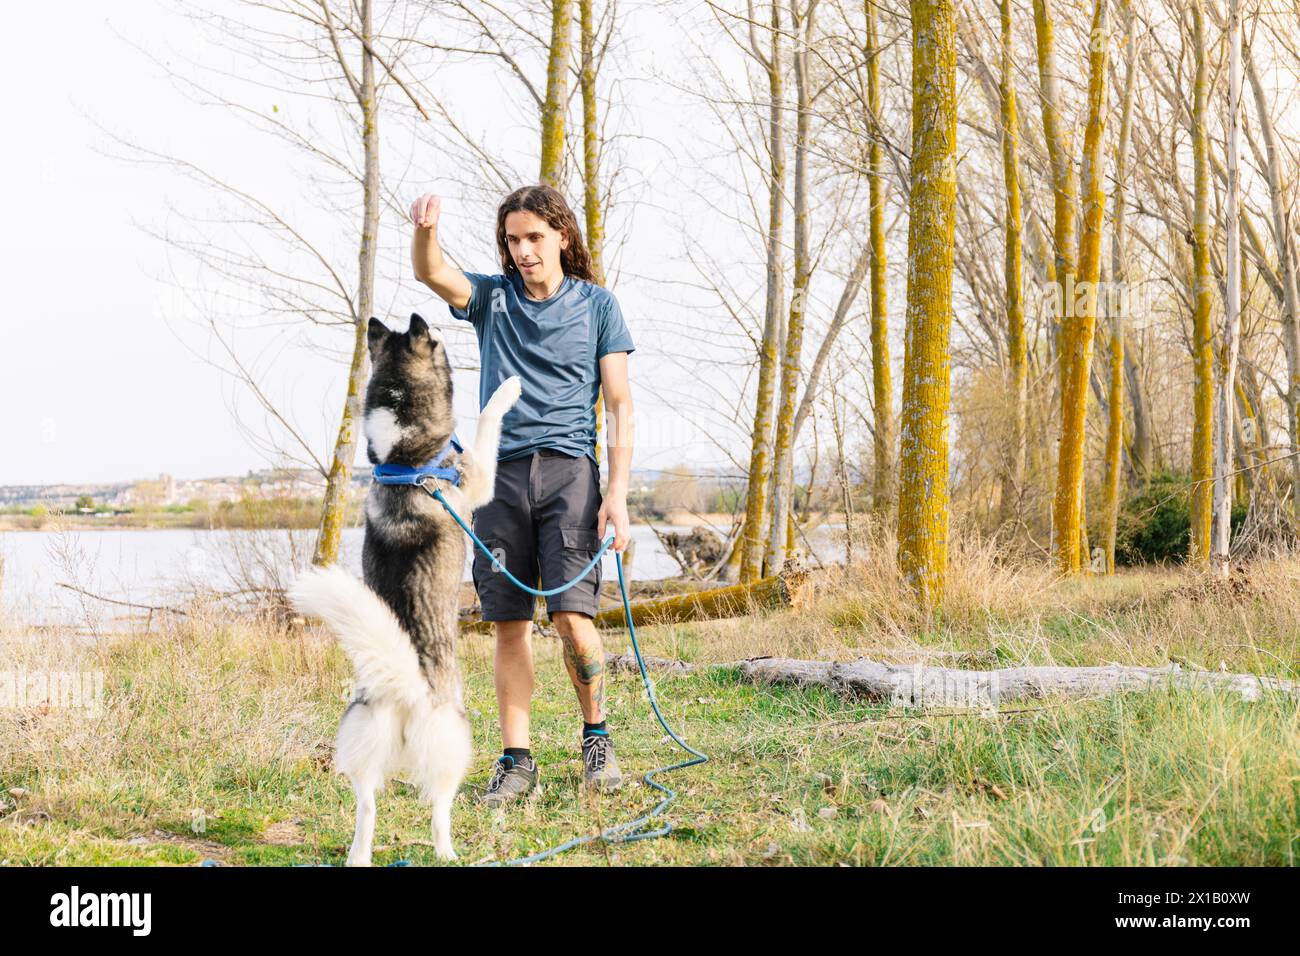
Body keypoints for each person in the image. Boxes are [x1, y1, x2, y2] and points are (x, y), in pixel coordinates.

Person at [409, 184, 635, 806]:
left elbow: (618, 405)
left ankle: (596, 740)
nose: (523, 251)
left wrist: (616, 493)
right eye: (513, 240)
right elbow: (432, 272)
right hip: (498, 476)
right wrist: (426, 230)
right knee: (509, 624)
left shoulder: (598, 307)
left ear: (562, 235)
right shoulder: (492, 299)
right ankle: (517, 761)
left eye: (534, 237)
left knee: (572, 619)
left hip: (571, 474)